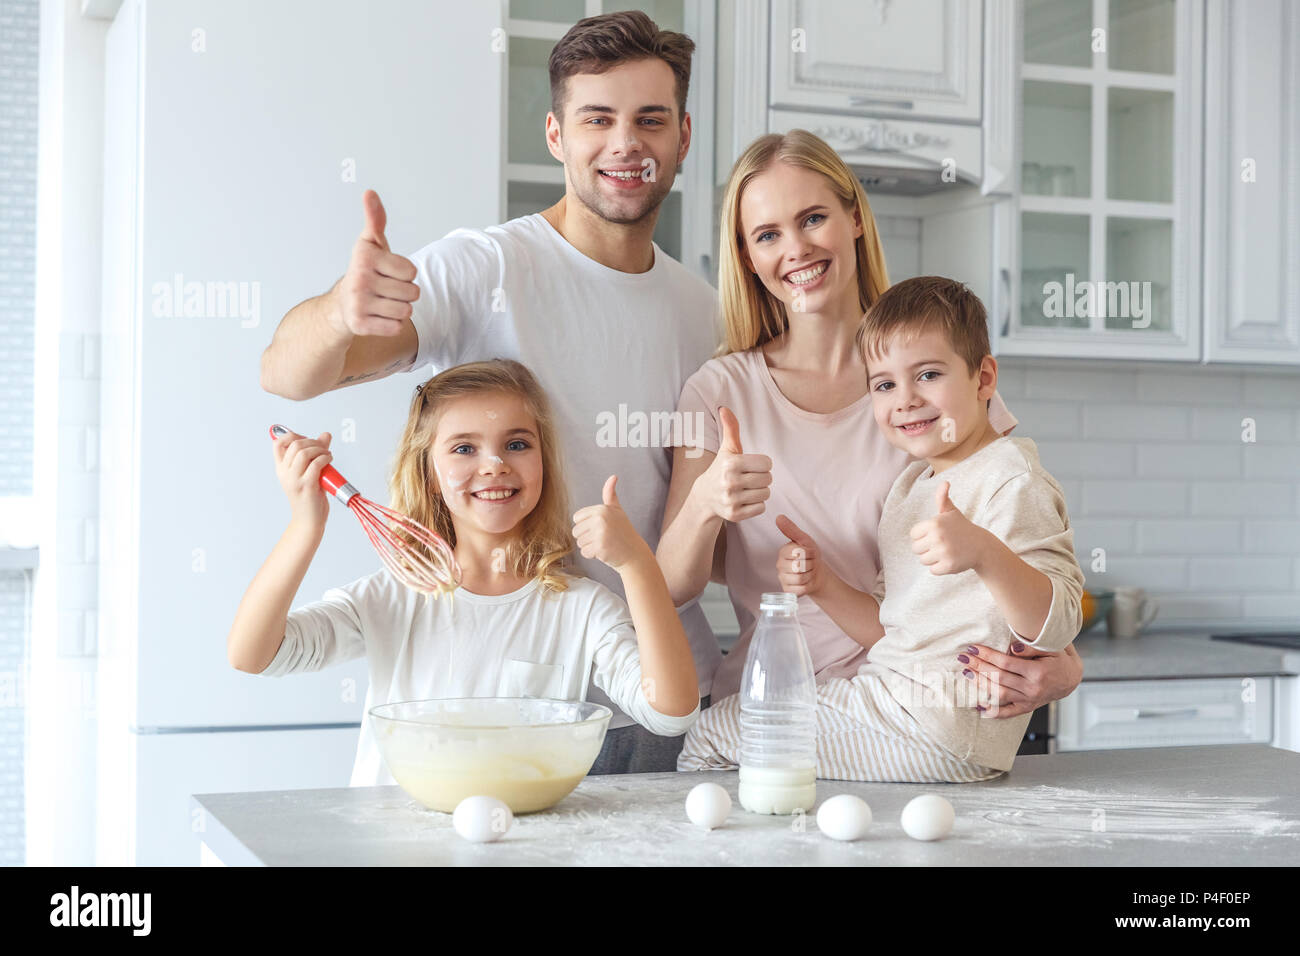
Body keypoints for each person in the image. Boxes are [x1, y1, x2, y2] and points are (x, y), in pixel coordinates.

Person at [258, 12, 720, 772]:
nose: (625, 143)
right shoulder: (487, 270)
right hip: (509, 705)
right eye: (597, 119)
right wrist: (343, 312)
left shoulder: (701, 311)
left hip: (658, 700)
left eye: (650, 120)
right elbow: (286, 373)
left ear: (683, 136)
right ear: (554, 135)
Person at [656, 129, 1083, 741]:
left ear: (854, 218)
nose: (796, 248)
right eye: (768, 234)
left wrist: (1064, 665)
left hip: (925, 710)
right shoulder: (719, 393)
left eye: (813, 218)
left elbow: (1020, 531)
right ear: (747, 256)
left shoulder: (929, 375)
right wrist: (705, 503)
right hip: (778, 713)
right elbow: (670, 588)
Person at [678, 276, 1086, 780]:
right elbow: (886, 631)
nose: (906, 399)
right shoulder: (913, 484)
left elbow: (1061, 620)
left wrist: (984, 552)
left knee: (713, 734)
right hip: (903, 709)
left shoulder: (1011, 478)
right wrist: (822, 584)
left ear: (983, 380)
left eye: (929, 375)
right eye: (885, 384)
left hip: (931, 723)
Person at [227, 359, 699, 786]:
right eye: (464, 449)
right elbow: (255, 654)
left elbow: (671, 712)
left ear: (543, 463)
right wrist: (306, 525)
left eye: (516, 444)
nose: (493, 465)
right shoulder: (395, 595)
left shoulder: (581, 607)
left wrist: (636, 564)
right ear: (429, 471)